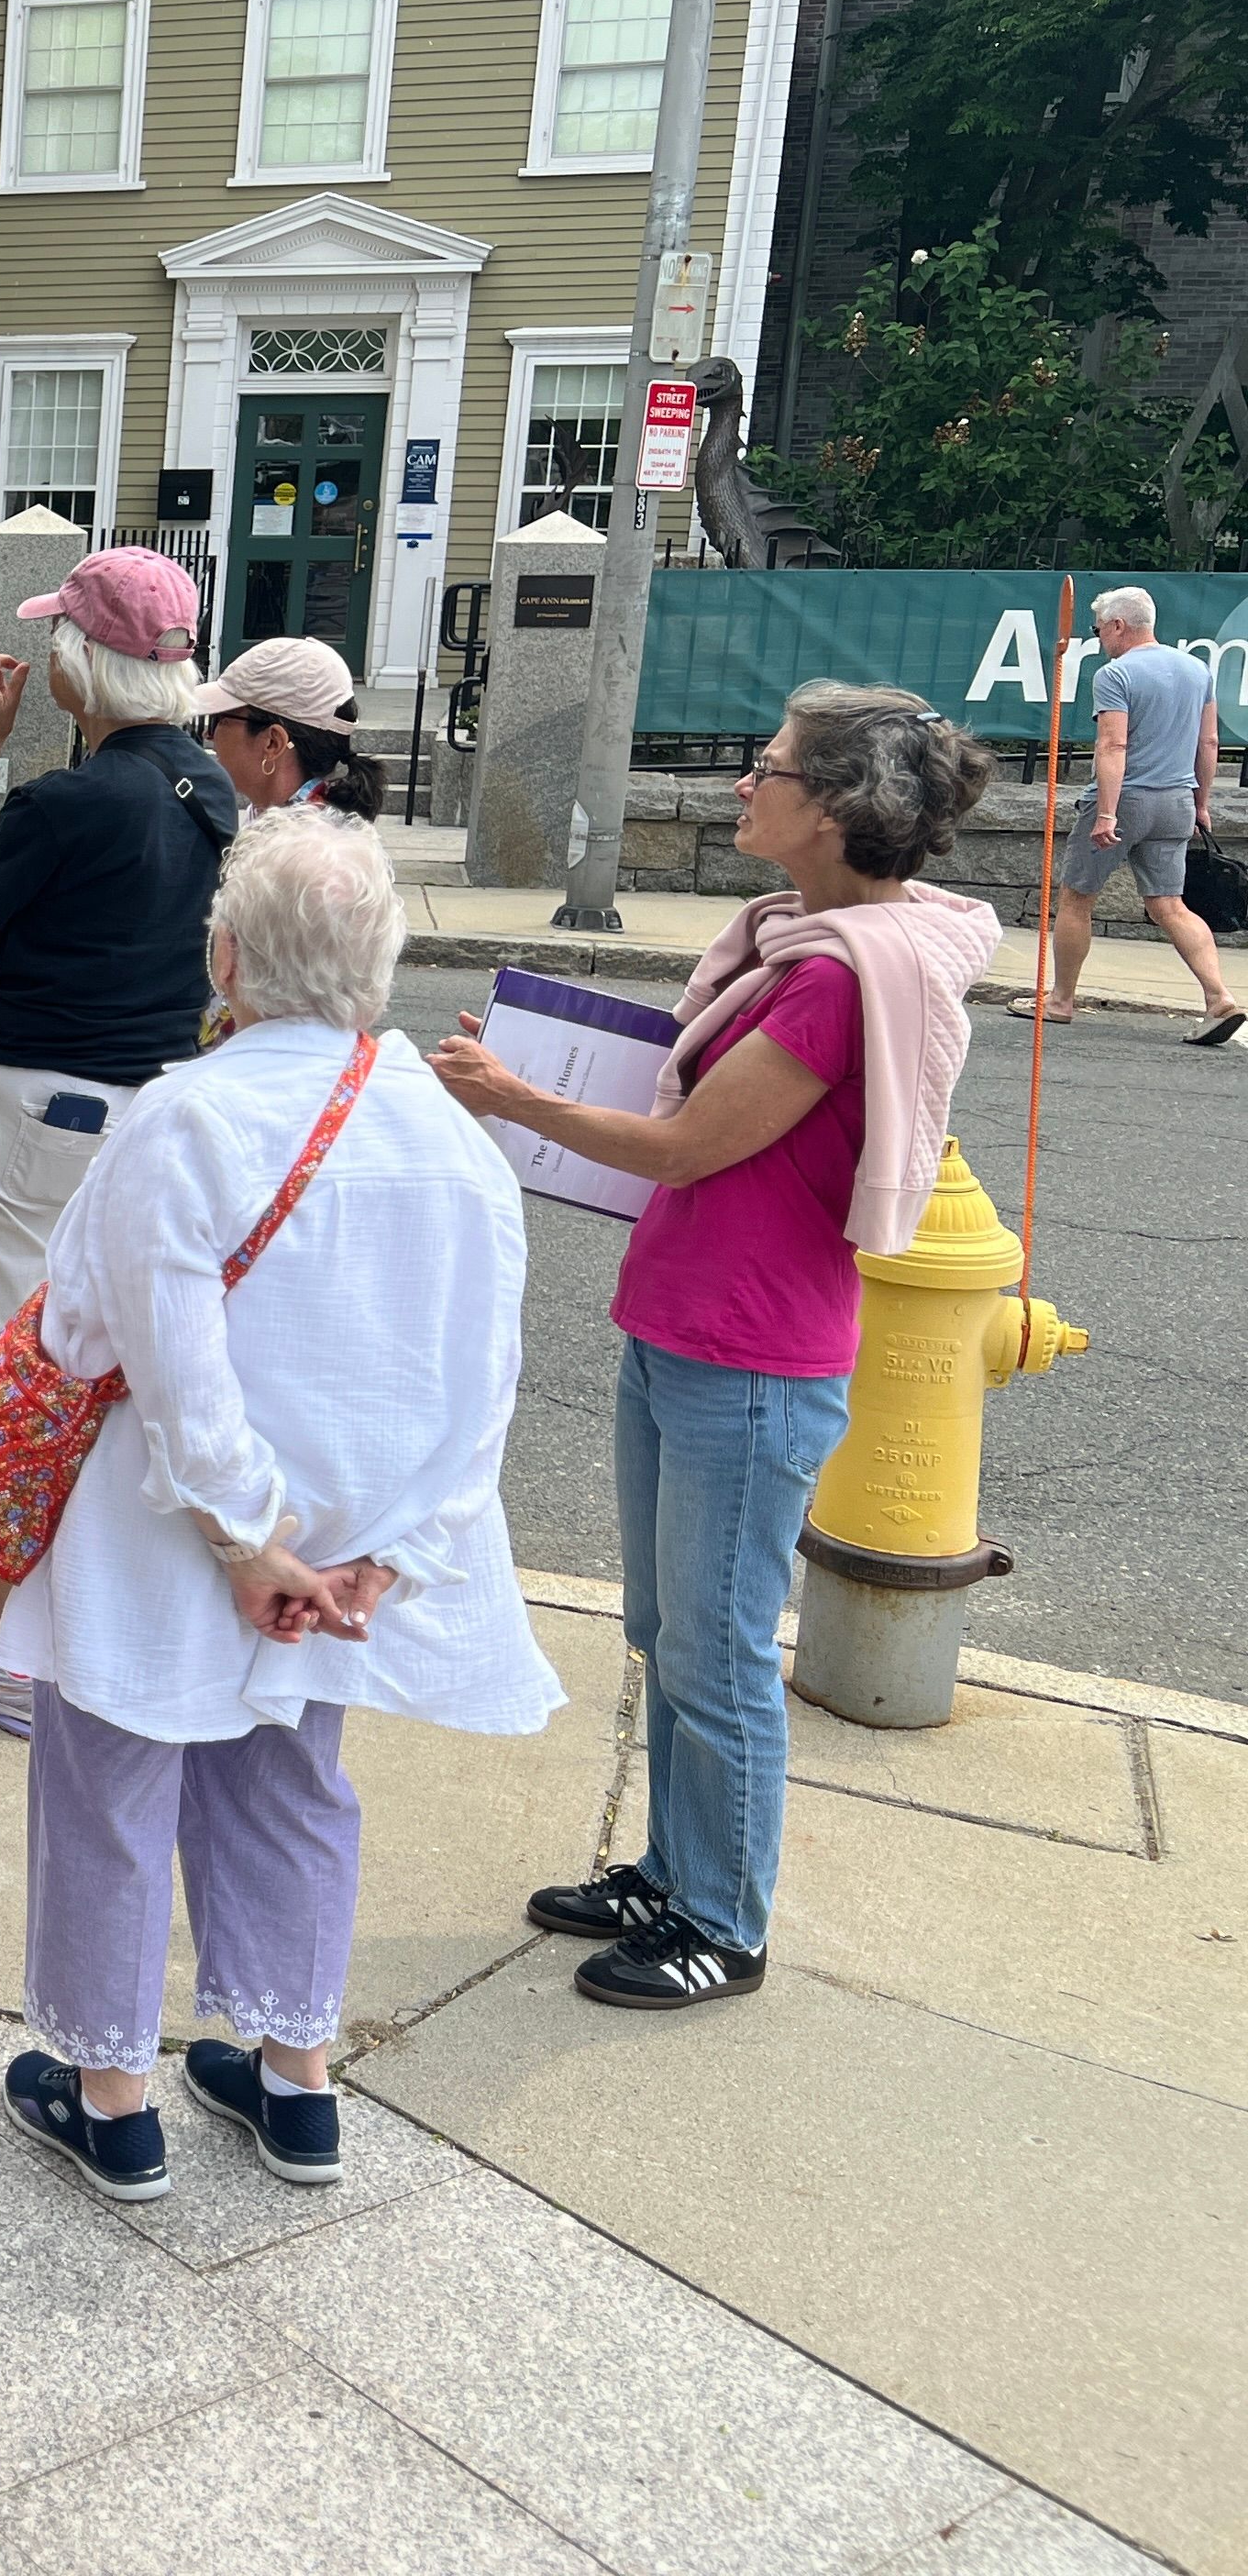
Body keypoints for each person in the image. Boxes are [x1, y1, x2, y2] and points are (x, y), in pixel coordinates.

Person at [0, 806, 558, 2203]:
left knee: (112, 1786)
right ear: (382, 961)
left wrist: (248, 1538)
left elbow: (129, 1339)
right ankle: (296, 2081)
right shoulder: (452, 1136)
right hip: (347, 1545)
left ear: (226, 955)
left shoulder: (186, 1111)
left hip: (163, 1526)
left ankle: (114, 2101)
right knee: (294, 1783)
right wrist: (381, 1560)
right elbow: (480, 1379)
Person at [435, 686, 1000, 2011]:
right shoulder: (810, 940)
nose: (746, 787)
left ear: (842, 808)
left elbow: (692, 1146)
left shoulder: (827, 983)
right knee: (664, 1628)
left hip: (752, 1355)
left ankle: (723, 1921)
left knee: (721, 1648)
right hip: (687, 1327)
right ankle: (673, 1870)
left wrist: (517, 1098)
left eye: (769, 770)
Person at [0, 544, 237, 1738]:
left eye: (56, 640)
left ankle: (28, 1668)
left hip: (28, 1116)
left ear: (81, 667)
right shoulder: (209, 791)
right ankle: (100, 1630)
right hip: (145, 1113)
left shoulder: (69, 798)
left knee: (14, 1385)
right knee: (103, 1377)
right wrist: (11, 938)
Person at [1016, 587, 1236, 1042]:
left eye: (1098, 630)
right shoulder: (1198, 670)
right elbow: (1208, 743)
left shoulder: (1117, 674)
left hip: (1125, 799)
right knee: (1169, 905)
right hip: (1177, 801)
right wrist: (1201, 805)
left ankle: (1060, 1000)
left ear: (1118, 625)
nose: (1098, 640)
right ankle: (1219, 998)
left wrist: (1106, 814)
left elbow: (1113, 745)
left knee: (1078, 898)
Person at [196, 636, 387, 819]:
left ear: (273, 743)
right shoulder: (278, 822)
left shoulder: (306, 847)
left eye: (218, 720)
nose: (208, 735)